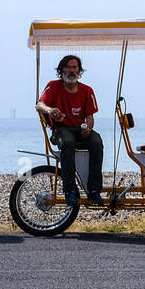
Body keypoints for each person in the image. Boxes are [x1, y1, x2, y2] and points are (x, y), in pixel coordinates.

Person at [35, 54, 104, 208]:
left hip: (80, 128)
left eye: (74, 68)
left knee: (96, 141)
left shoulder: (87, 91)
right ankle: (70, 191)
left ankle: (94, 190)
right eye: (68, 67)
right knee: (68, 142)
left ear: (79, 71)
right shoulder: (53, 86)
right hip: (60, 130)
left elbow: (90, 117)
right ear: (61, 70)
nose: (71, 71)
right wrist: (50, 110)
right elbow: (39, 105)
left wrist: (88, 128)